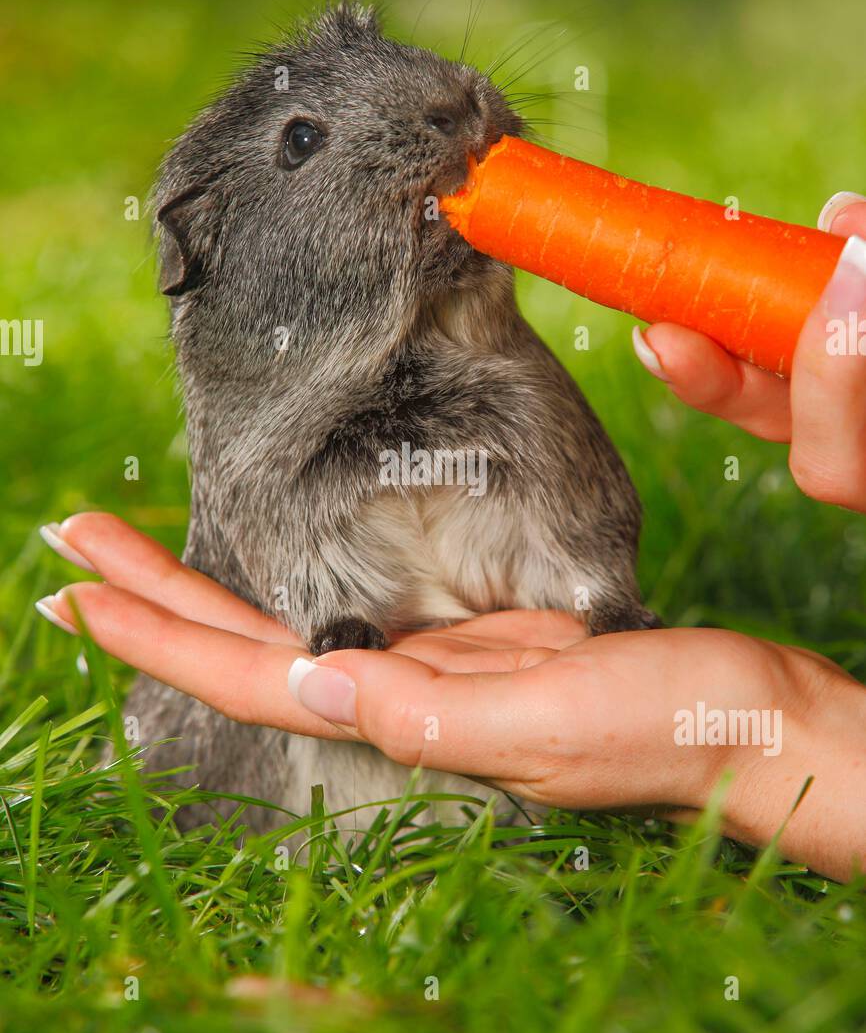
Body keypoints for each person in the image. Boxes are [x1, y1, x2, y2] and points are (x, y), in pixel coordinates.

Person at [36, 193, 866, 882]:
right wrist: (781, 732)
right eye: (301, 140)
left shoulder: (499, 371)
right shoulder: (273, 408)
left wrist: (762, 733)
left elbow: (578, 502)